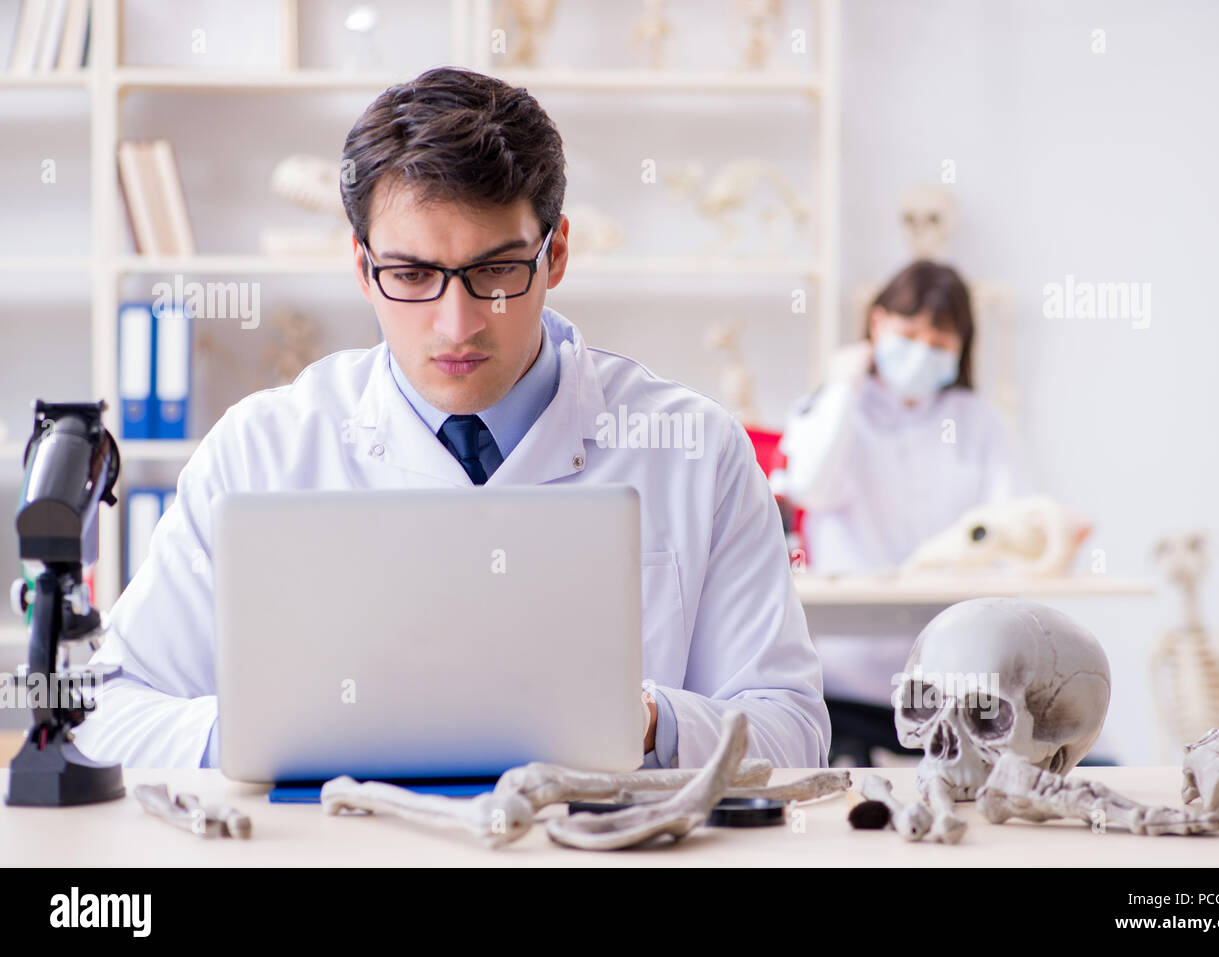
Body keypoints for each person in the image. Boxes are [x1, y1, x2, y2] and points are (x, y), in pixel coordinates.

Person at [74, 67, 830, 771]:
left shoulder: (696, 450)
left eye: (496, 270)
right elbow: (103, 713)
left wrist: (648, 718)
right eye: (411, 275)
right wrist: (270, 728)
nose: (456, 323)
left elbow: (793, 733)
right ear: (364, 268)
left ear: (556, 253)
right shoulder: (260, 451)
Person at [773, 260, 1024, 766]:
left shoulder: (979, 423)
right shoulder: (831, 407)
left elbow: (1011, 527)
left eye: (939, 342)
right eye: (909, 333)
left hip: (951, 677)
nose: (921, 352)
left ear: (961, 348)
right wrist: (843, 386)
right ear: (876, 324)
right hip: (841, 677)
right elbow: (811, 487)